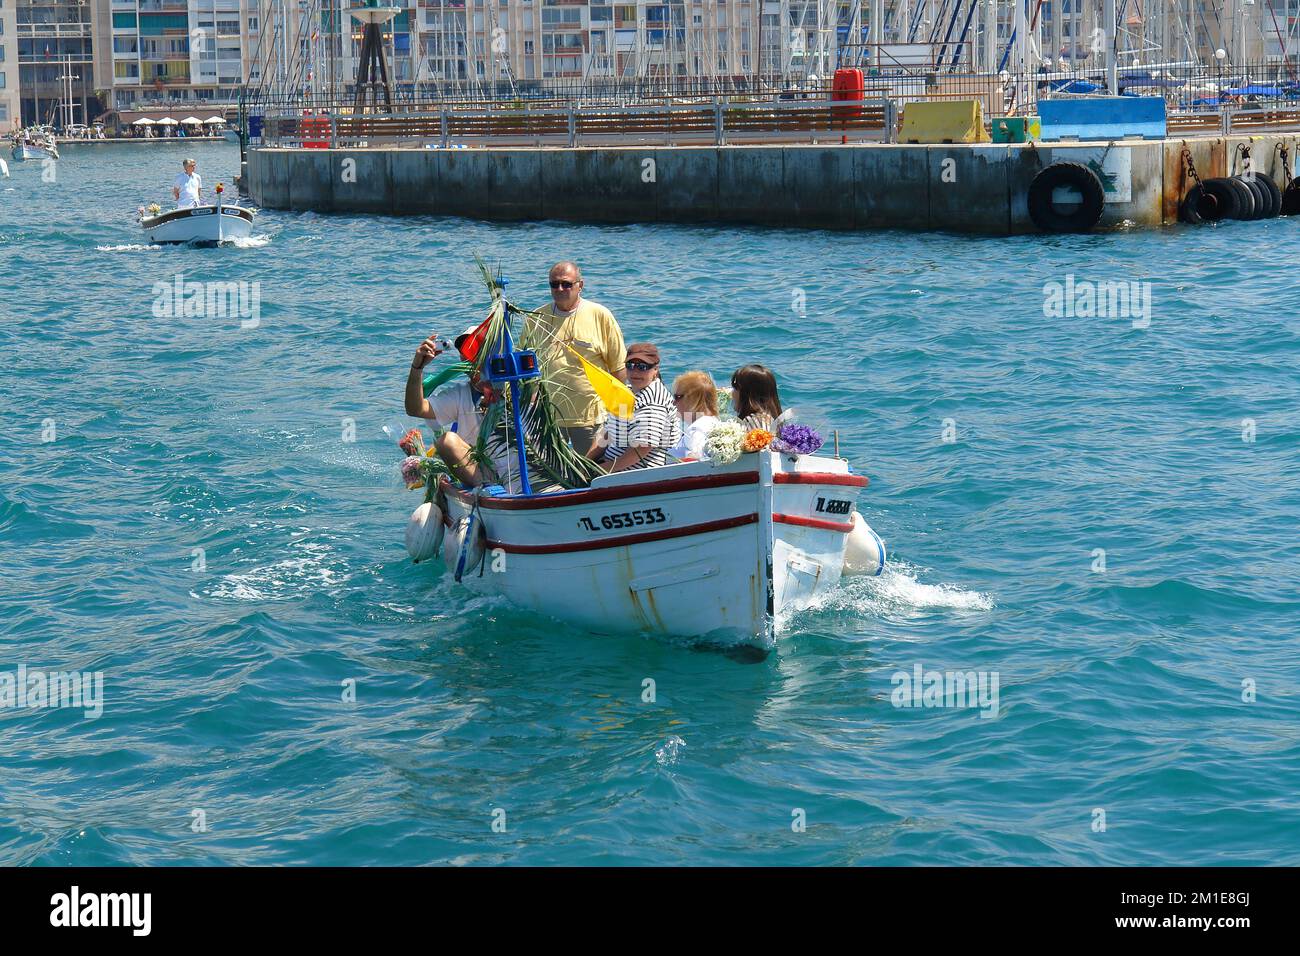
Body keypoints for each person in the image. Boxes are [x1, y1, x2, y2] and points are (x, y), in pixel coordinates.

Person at [522, 261, 626, 453]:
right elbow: (526, 369)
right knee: (553, 475)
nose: (560, 289)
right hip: (549, 417)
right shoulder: (535, 318)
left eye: (566, 284)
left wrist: (617, 417)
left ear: (581, 285)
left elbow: (618, 370)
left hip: (591, 418)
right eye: (554, 284)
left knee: (591, 474)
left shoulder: (600, 315)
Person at [406, 325, 510, 488]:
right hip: (483, 473)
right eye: (466, 353)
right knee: (447, 441)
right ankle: (488, 492)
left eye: (478, 350)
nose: (472, 358)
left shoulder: (516, 386)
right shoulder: (460, 394)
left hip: (521, 468)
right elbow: (415, 409)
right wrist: (417, 367)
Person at [591, 343, 680, 472]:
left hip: (638, 475)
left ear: (655, 370)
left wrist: (599, 471)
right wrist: (585, 463)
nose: (635, 371)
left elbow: (641, 448)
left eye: (642, 367)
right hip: (611, 465)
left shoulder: (653, 402)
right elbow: (606, 432)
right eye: (630, 366)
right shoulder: (627, 392)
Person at [668, 370, 720, 461]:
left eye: (677, 397)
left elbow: (695, 461)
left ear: (692, 399)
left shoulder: (696, 430)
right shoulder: (713, 421)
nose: (673, 402)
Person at [730, 364, 783, 430]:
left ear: (745, 393)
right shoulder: (770, 419)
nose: (732, 393)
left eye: (735, 388)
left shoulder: (753, 421)